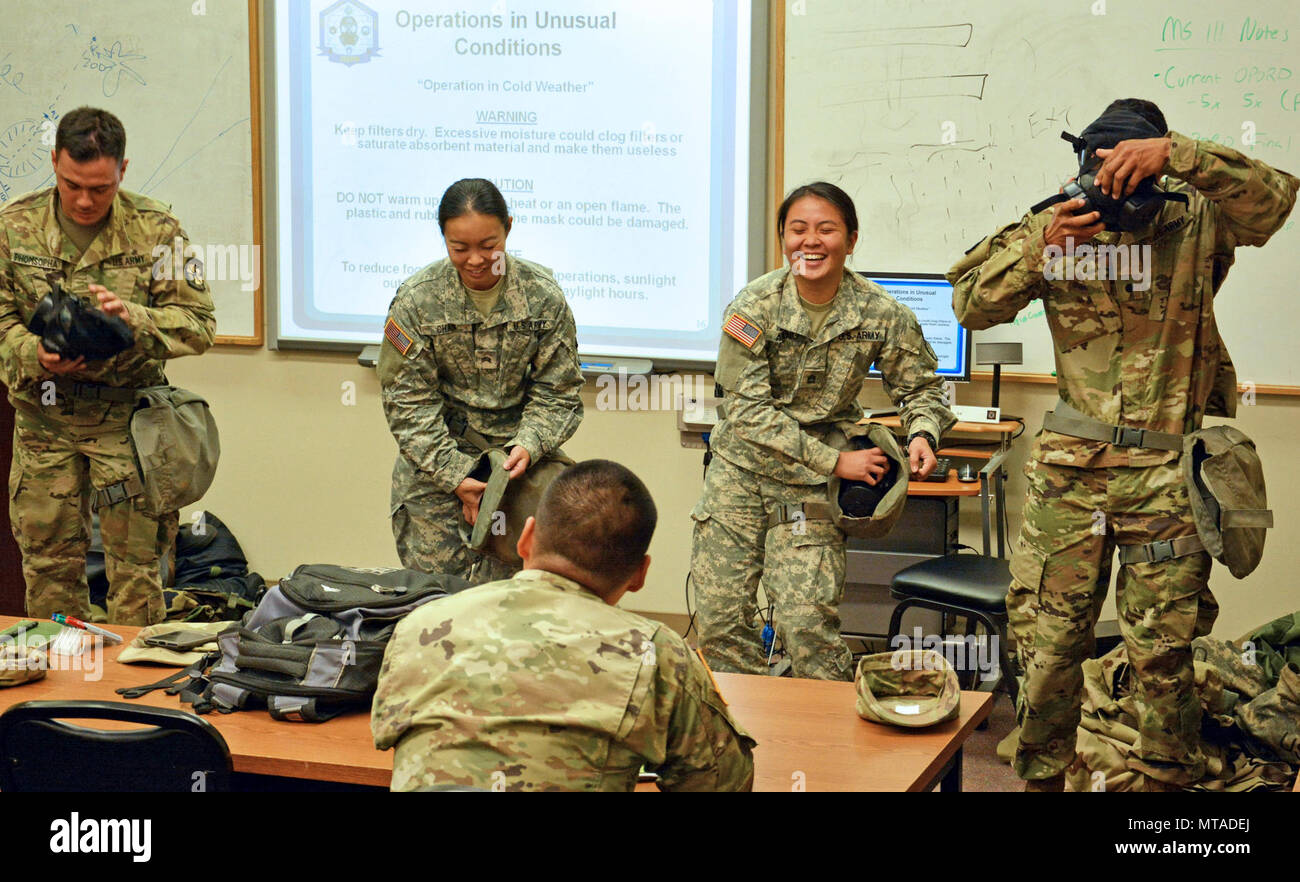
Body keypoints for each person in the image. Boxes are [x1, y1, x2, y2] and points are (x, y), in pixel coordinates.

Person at [948, 98, 1298, 791]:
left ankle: (1164, 789)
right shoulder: (1056, 224)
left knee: (1163, 654)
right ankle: (1042, 777)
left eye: (1136, 173)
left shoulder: (1196, 216)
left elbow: (1277, 200)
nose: (1120, 192)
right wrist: (1039, 251)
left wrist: (1181, 155)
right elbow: (967, 303)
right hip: (1069, 478)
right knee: (1048, 647)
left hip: (1168, 474)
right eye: (1107, 173)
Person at [691, 181, 956, 682]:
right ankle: (747, 739)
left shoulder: (881, 313)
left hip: (810, 489)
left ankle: (831, 750)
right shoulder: (753, 308)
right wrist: (838, 462)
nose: (810, 242)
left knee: (806, 625)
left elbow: (922, 388)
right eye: (798, 230)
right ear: (782, 240)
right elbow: (746, 411)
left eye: (826, 229)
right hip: (742, 475)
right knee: (721, 623)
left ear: (851, 240)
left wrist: (923, 434)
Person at [371, 459, 757, 792]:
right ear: (640, 575)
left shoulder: (422, 625)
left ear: (525, 539)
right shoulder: (658, 654)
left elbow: (388, 738)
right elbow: (720, 783)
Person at [0, 107, 216, 625]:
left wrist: (134, 319)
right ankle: (56, 686)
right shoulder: (15, 226)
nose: (84, 200)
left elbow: (199, 323)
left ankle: (129, 698)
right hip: (44, 418)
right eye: (72, 184)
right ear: (54, 162)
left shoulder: (156, 229)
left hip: (127, 423)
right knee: (49, 567)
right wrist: (35, 353)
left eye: (100, 187)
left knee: (137, 573)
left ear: (123, 170)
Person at [379, 178, 583, 585]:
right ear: (443, 238)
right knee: (434, 604)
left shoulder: (543, 297)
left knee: (513, 605)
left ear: (509, 227)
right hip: (435, 474)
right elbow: (408, 404)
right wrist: (456, 476)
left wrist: (526, 447)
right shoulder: (417, 301)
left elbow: (558, 393)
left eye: (489, 245)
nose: (476, 259)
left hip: (518, 473)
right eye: (460, 248)